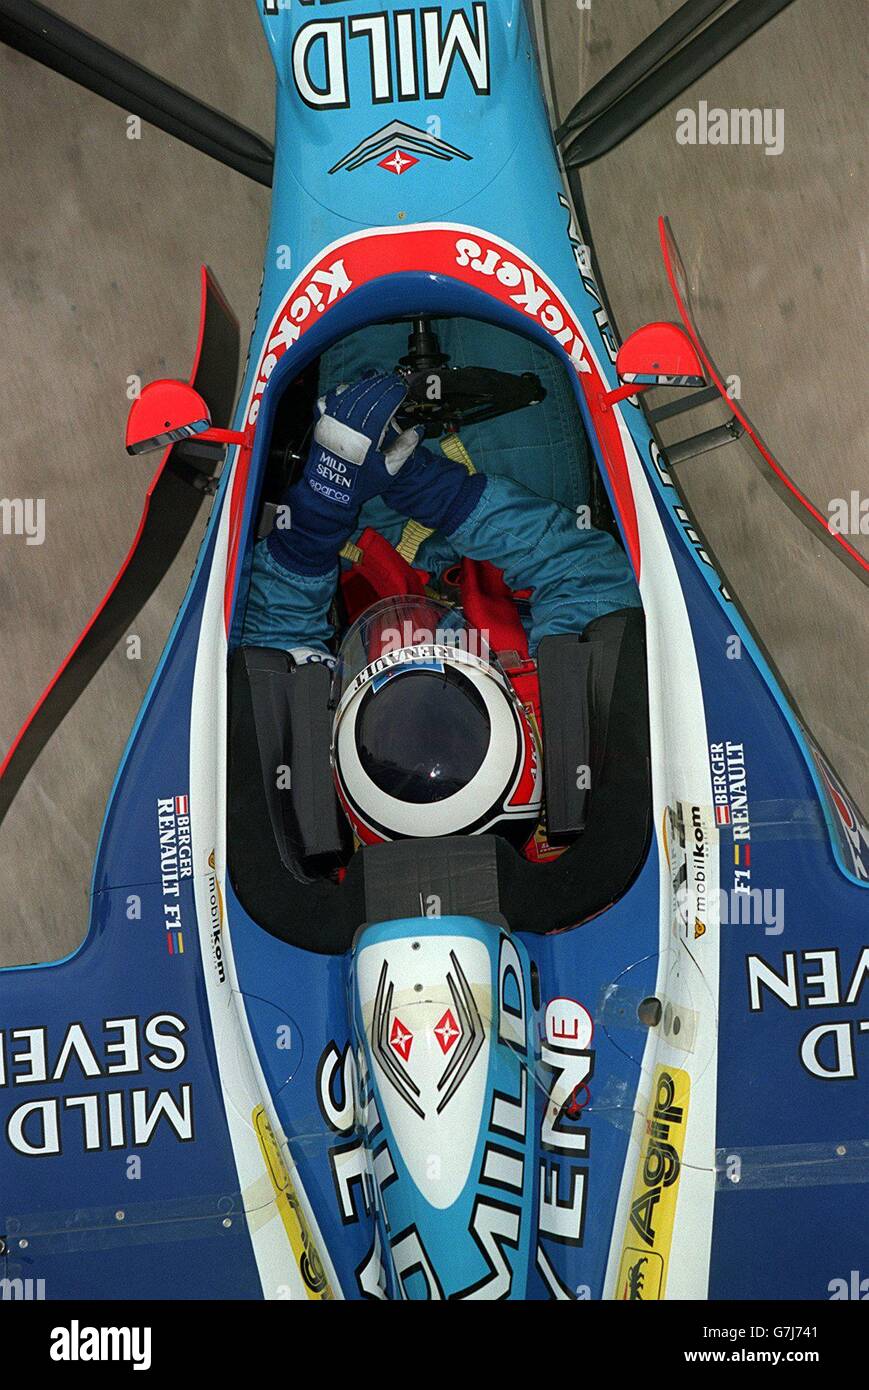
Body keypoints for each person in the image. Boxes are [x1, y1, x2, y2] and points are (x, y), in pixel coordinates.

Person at [242, 373, 641, 849]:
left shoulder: (314, 808)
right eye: (453, 729)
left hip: (353, 542)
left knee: (346, 395)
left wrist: (318, 513)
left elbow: (268, 645)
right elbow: (590, 575)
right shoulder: (570, 750)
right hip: (500, 529)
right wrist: (435, 489)